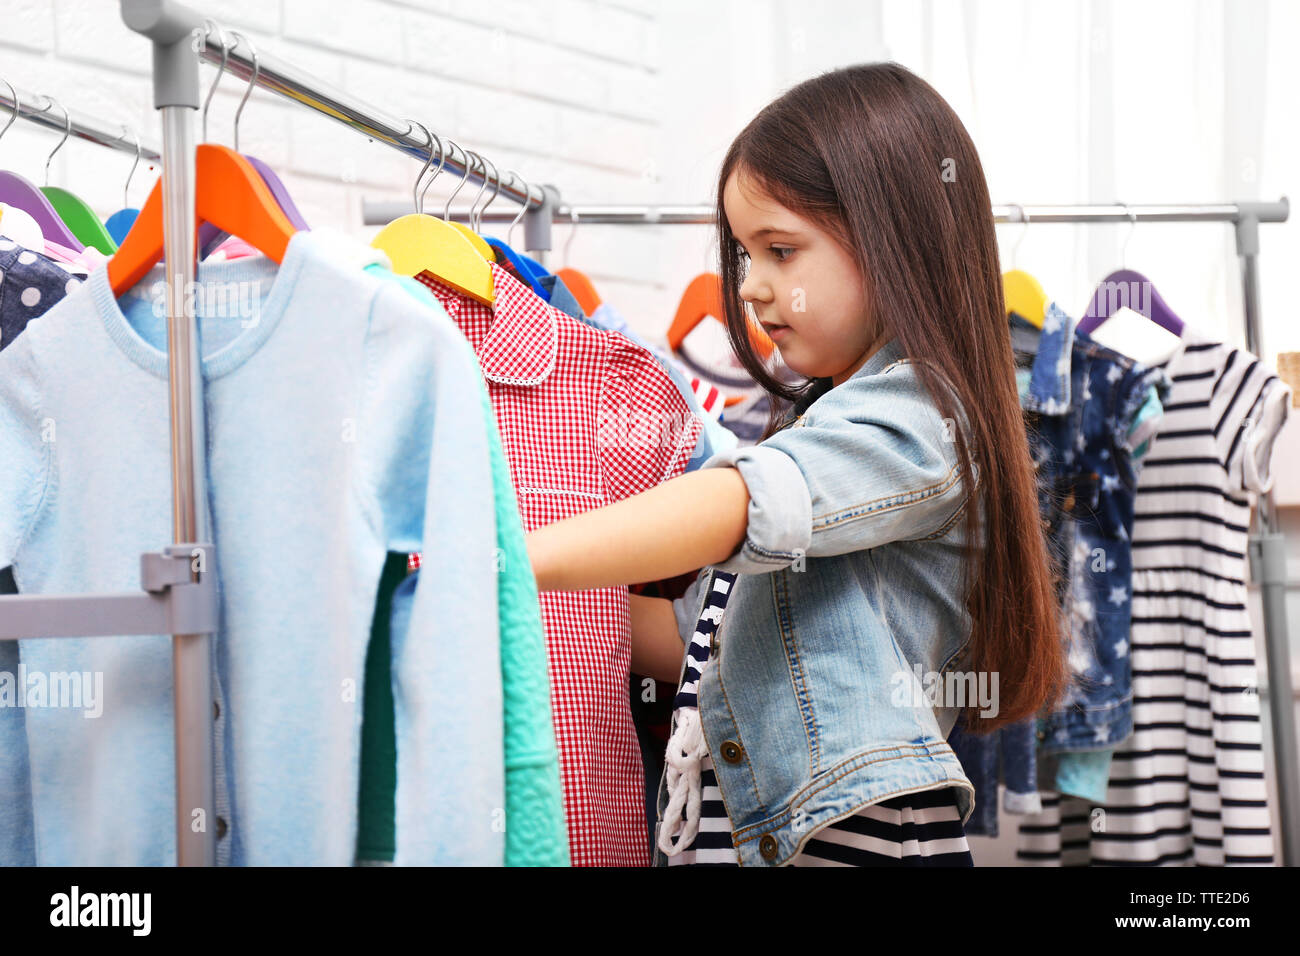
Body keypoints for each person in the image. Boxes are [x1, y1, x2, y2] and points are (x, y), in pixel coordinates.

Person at [525, 62, 1068, 867]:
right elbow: (692, 644)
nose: (750, 288)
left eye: (780, 250)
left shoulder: (923, 418)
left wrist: (512, 554)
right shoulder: (819, 425)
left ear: (895, 238)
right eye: (745, 255)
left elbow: (744, 504)